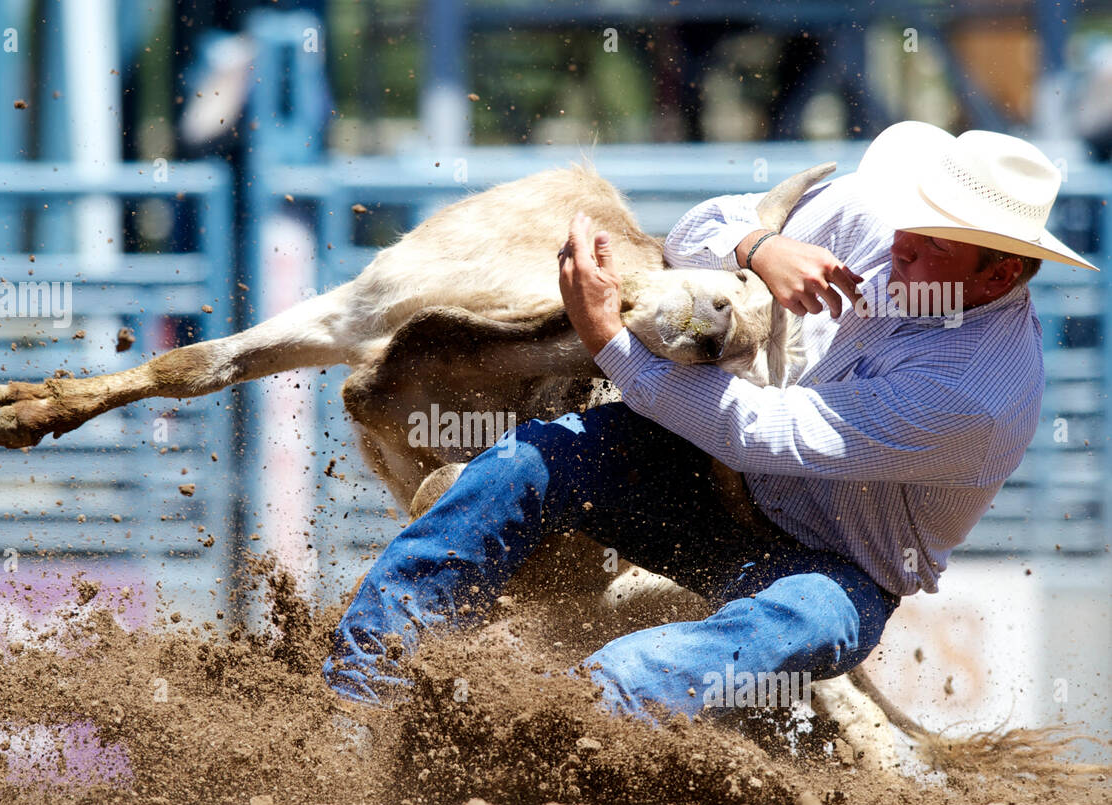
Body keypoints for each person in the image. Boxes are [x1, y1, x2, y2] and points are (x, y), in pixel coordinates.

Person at [321, 120, 1099, 720]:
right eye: (911, 224)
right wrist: (759, 245)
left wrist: (609, 343)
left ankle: (568, 716)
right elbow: (699, 227)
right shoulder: (879, 218)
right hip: (705, 482)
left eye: (930, 246)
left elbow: (766, 431)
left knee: (798, 619)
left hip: (830, 564)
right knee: (534, 462)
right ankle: (358, 687)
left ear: (1000, 272)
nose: (899, 247)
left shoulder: (976, 394)